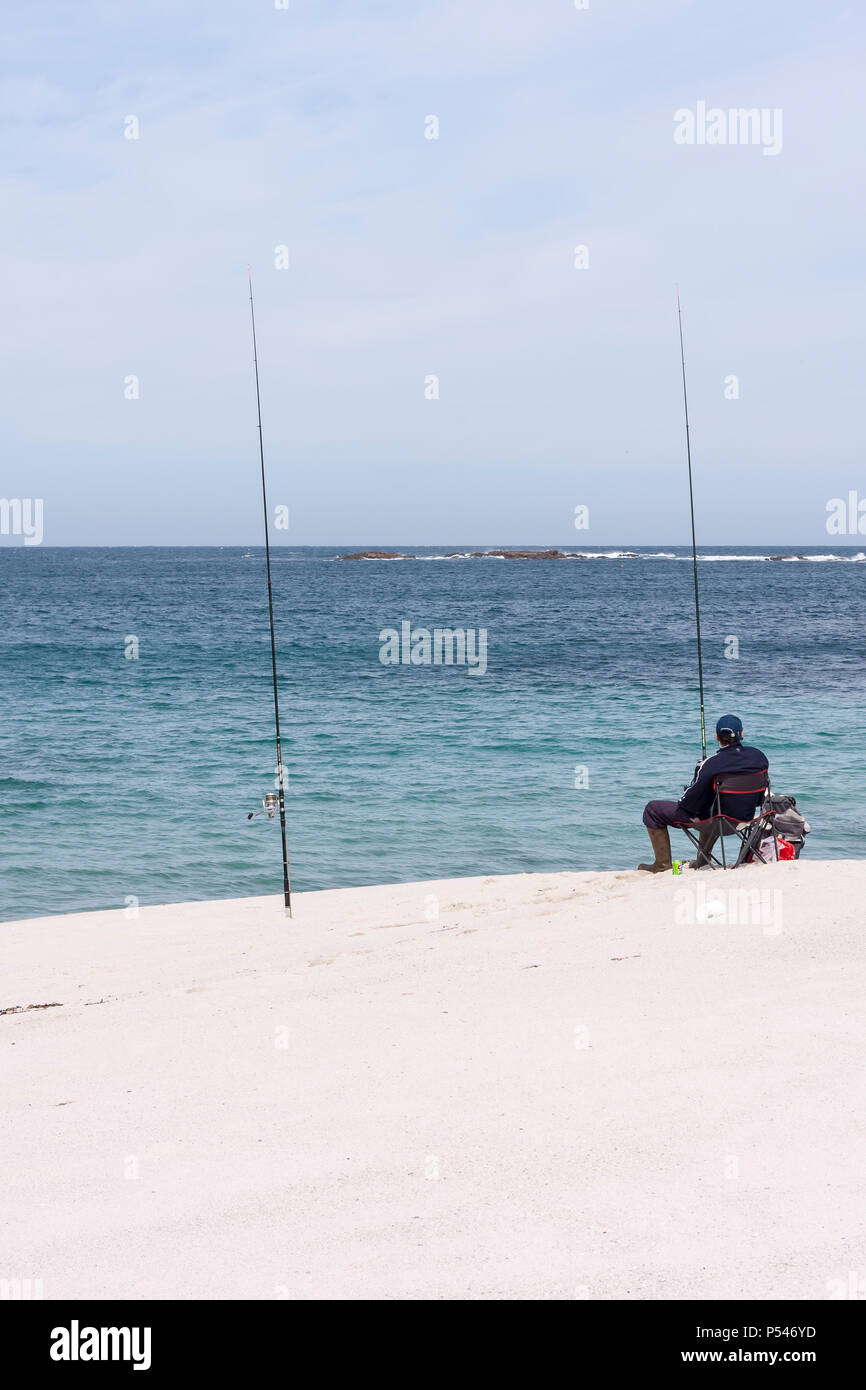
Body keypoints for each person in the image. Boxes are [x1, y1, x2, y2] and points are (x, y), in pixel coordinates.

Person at [638, 715, 769, 873]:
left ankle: (662, 865)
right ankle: (702, 860)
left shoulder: (711, 763)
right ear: (741, 734)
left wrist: (694, 780)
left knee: (652, 810)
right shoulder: (759, 757)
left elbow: (689, 804)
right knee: (713, 805)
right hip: (745, 820)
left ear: (716, 736)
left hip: (717, 822)